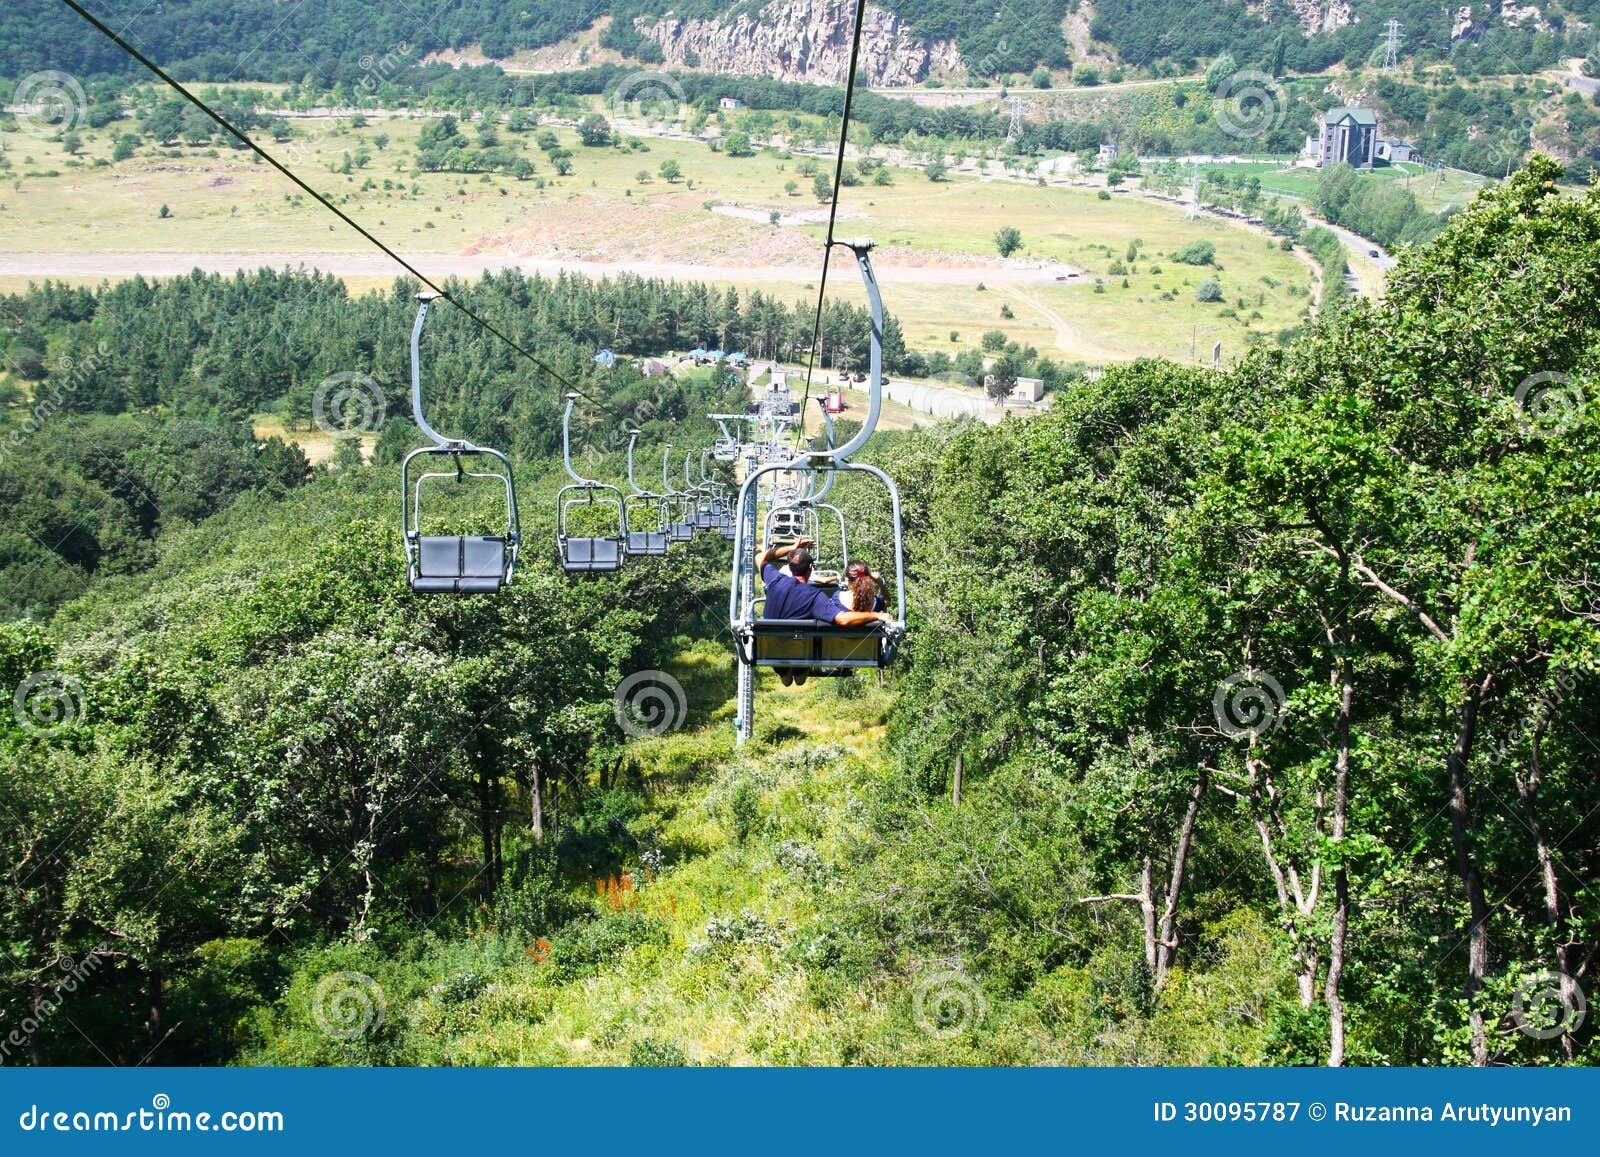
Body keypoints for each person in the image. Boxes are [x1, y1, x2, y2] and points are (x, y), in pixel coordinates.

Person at [758, 538, 890, 686]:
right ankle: (799, 674)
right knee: (800, 671)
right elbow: (843, 619)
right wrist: (876, 614)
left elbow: (760, 557)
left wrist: (791, 547)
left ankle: (784, 675)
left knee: (786, 674)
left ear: (790, 566)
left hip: (770, 649)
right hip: (801, 653)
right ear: (810, 567)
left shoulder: (775, 579)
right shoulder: (815, 597)